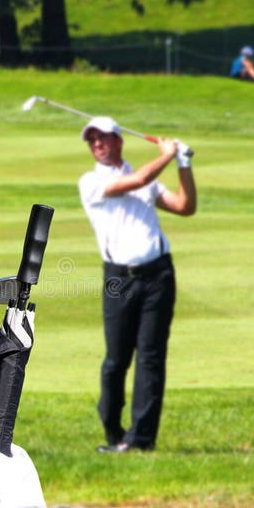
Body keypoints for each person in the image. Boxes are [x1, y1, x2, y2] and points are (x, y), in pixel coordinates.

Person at [78, 116, 197, 453]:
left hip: (159, 275)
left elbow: (185, 207)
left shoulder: (146, 180)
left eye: (104, 138)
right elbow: (140, 177)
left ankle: (141, 440)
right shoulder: (90, 182)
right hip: (119, 279)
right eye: (92, 140)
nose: (98, 144)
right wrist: (168, 153)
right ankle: (114, 433)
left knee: (151, 357)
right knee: (116, 359)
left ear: (119, 141)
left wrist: (183, 164)